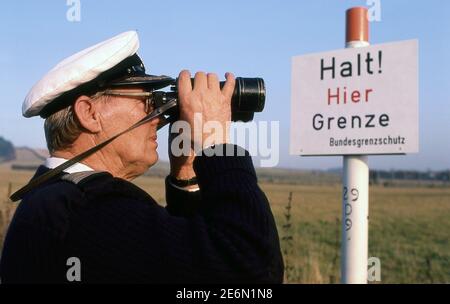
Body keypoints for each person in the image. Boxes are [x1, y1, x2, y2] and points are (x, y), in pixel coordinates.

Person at [0, 31, 283, 283]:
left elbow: (185, 261)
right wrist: (217, 144)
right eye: (147, 101)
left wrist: (185, 175)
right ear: (89, 113)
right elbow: (252, 271)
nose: (157, 119)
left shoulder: (55, 198)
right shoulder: (87, 211)